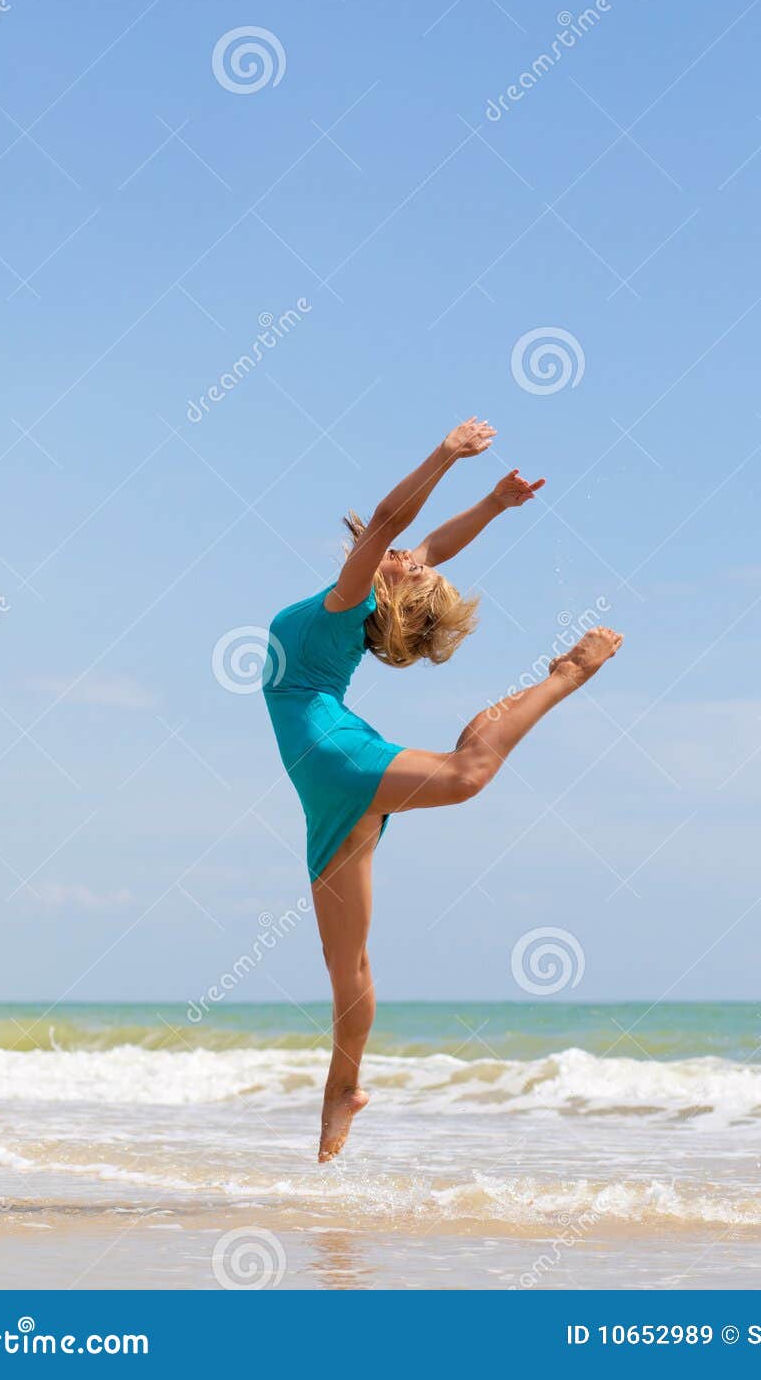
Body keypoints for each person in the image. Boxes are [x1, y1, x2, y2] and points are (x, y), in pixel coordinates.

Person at [263, 418, 623, 1161]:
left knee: (466, 775)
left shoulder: (348, 601)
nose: (411, 556)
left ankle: (566, 675)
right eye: (412, 562)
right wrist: (493, 501)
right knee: (347, 964)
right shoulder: (364, 600)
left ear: (394, 595)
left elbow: (397, 522)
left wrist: (445, 454)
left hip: (333, 755)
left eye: (415, 568)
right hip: (323, 785)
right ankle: (342, 1089)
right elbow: (424, 541)